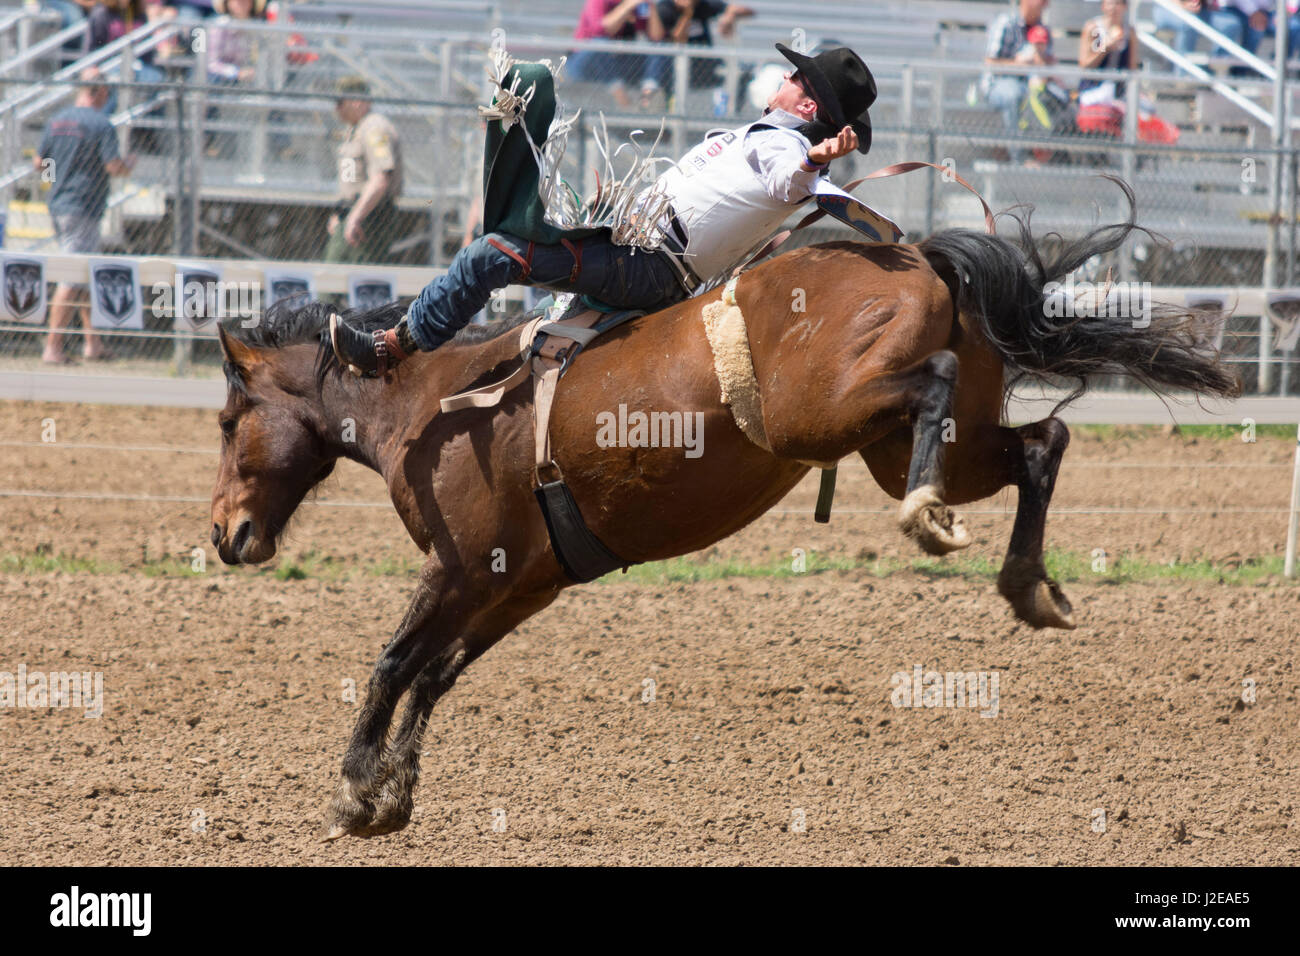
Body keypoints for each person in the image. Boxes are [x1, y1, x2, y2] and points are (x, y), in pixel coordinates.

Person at [331, 43, 875, 375]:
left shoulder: (787, 149)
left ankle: (390, 350)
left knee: (491, 254)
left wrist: (814, 160)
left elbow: (791, 180)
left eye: (794, 78)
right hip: (636, 241)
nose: (782, 77)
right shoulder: (763, 135)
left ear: (807, 105)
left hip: (651, 265)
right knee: (525, 218)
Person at [34, 67, 136, 364]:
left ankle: (93, 343)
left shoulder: (56, 119)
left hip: (59, 204)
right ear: (101, 93)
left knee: (84, 275)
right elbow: (113, 167)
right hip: (82, 207)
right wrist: (129, 164)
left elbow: (40, 163)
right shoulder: (101, 123)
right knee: (71, 278)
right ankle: (52, 347)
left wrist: (58, 179)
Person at [325, 76, 403, 264]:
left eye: (340, 102)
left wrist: (355, 217)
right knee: (334, 279)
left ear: (357, 102)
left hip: (369, 217)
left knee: (352, 282)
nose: (336, 109)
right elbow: (351, 181)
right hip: (353, 213)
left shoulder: (374, 128)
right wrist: (341, 214)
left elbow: (380, 179)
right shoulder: (356, 129)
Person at [982, 0, 1055, 164]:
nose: (1044, 5)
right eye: (1040, 1)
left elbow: (1049, 68)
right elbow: (990, 63)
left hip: (1033, 86)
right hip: (999, 84)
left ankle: (1049, 159)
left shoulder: (1043, 31)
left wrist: (1041, 60)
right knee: (1014, 94)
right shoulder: (1006, 23)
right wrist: (1019, 65)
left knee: (1057, 98)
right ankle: (1019, 160)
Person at [644, 0, 755, 104]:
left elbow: (747, 11)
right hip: (673, 67)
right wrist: (688, 13)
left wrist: (730, 15)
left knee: (740, 73)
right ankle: (652, 98)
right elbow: (678, 39)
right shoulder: (665, 7)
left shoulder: (703, 4)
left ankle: (730, 112)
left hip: (704, 63)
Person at [569, 0, 665, 108]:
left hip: (616, 64)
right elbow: (601, 30)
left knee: (657, 49)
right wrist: (627, 5)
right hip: (584, 62)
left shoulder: (639, 6)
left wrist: (651, 6)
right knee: (601, 44)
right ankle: (623, 101)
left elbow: (657, 37)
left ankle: (648, 100)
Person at [1078, 0, 1138, 102]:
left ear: (1125, 7)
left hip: (1119, 90)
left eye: (1118, 3)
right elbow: (1084, 65)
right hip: (1094, 88)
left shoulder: (1129, 32)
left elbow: (1132, 67)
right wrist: (1105, 48)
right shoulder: (1093, 28)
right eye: (1110, 3)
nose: (1113, 8)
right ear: (1103, 6)